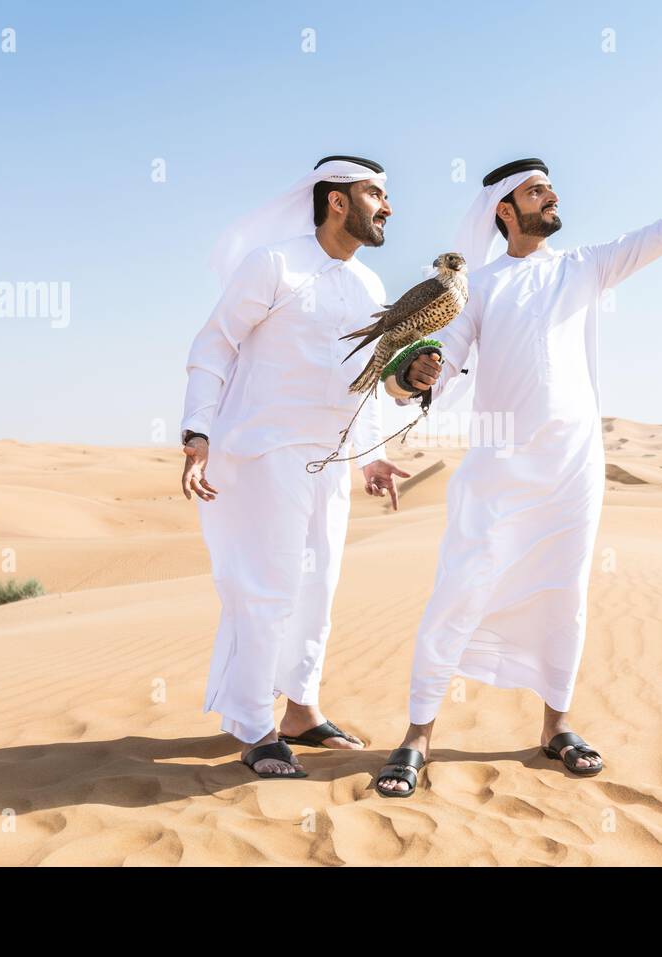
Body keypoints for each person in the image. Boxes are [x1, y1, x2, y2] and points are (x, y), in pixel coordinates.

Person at [374, 120, 662, 797]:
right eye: (536, 190)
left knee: (564, 593)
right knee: (460, 589)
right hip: (499, 469)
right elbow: (441, 364)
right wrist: (414, 376)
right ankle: (418, 735)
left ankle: (555, 726)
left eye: (551, 188)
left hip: (573, 470)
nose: (550, 197)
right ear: (505, 209)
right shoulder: (479, 287)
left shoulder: (586, 266)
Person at [180, 155, 411, 779]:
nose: (388, 207)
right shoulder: (274, 264)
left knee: (318, 588)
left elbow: (360, 381)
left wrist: (373, 456)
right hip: (261, 451)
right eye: (375, 194)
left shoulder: (370, 287)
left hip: (327, 460)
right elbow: (215, 343)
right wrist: (197, 429)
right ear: (337, 201)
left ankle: (301, 711)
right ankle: (255, 727)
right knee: (268, 586)